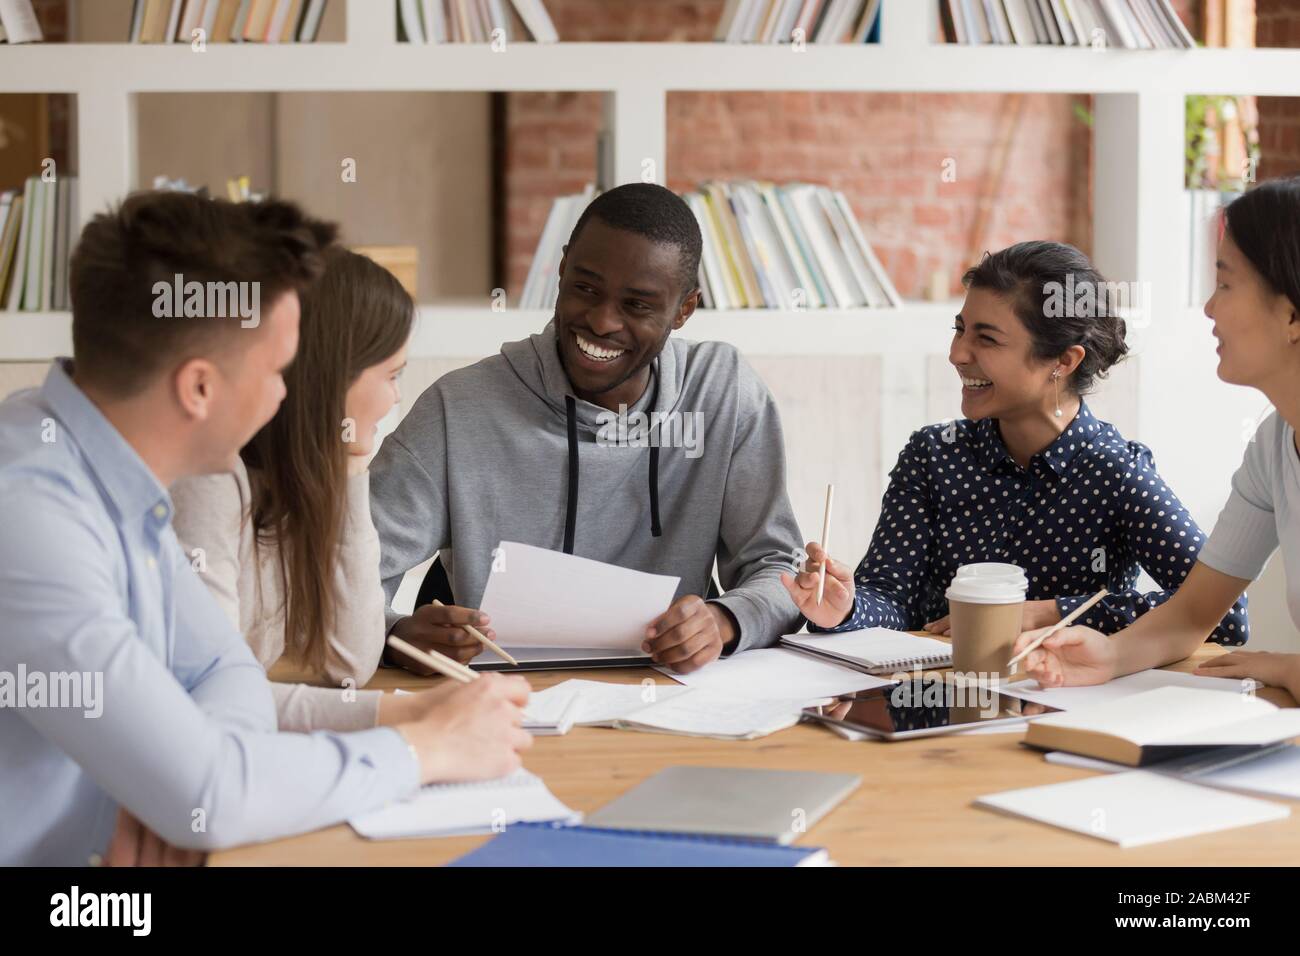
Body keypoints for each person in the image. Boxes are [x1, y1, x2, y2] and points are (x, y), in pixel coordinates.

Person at [0, 191, 530, 866]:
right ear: (199, 388)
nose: (289, 395)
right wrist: (426, 750)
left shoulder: (105, 468)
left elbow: (223, 672)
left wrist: (194, 772)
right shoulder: (31, 522)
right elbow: (212, 793)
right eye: (278, 370)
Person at [370, 182, 803, 675]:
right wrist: (394, 635)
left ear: (683, 309)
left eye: (637, 305)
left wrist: (724, 619)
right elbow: (339, 578)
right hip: (502, 699)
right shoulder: (458, 409)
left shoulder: (724, 393)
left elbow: (780, 570)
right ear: (561, 271)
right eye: (586, 289)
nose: (601, 321)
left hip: (669, 701)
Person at [783, 241, 1248, 647]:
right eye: (959, 329)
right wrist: (845, 609)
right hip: (933, 711)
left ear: (1063, 361)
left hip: (1067, 708)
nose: (957, 354)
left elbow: (1224, 614)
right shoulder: (932, 455)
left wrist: (1054, 612)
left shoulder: (1115, 472)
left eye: (986, 338)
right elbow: (890, 601)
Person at [1016, 178, 1300, 695]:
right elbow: (1193, 613)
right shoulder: (1274, 444)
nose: (1208, 309)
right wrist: (1108, 655)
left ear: (1292, 314)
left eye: (1227, 284)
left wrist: (1291, 668)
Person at [171, 247, 415, 732]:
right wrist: (401, 716)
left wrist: (349, 467)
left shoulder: (294, 483)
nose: (396, 396)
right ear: (330, 376)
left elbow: (350, 665)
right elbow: (210, 695)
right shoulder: (209, 479)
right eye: (391, 376)